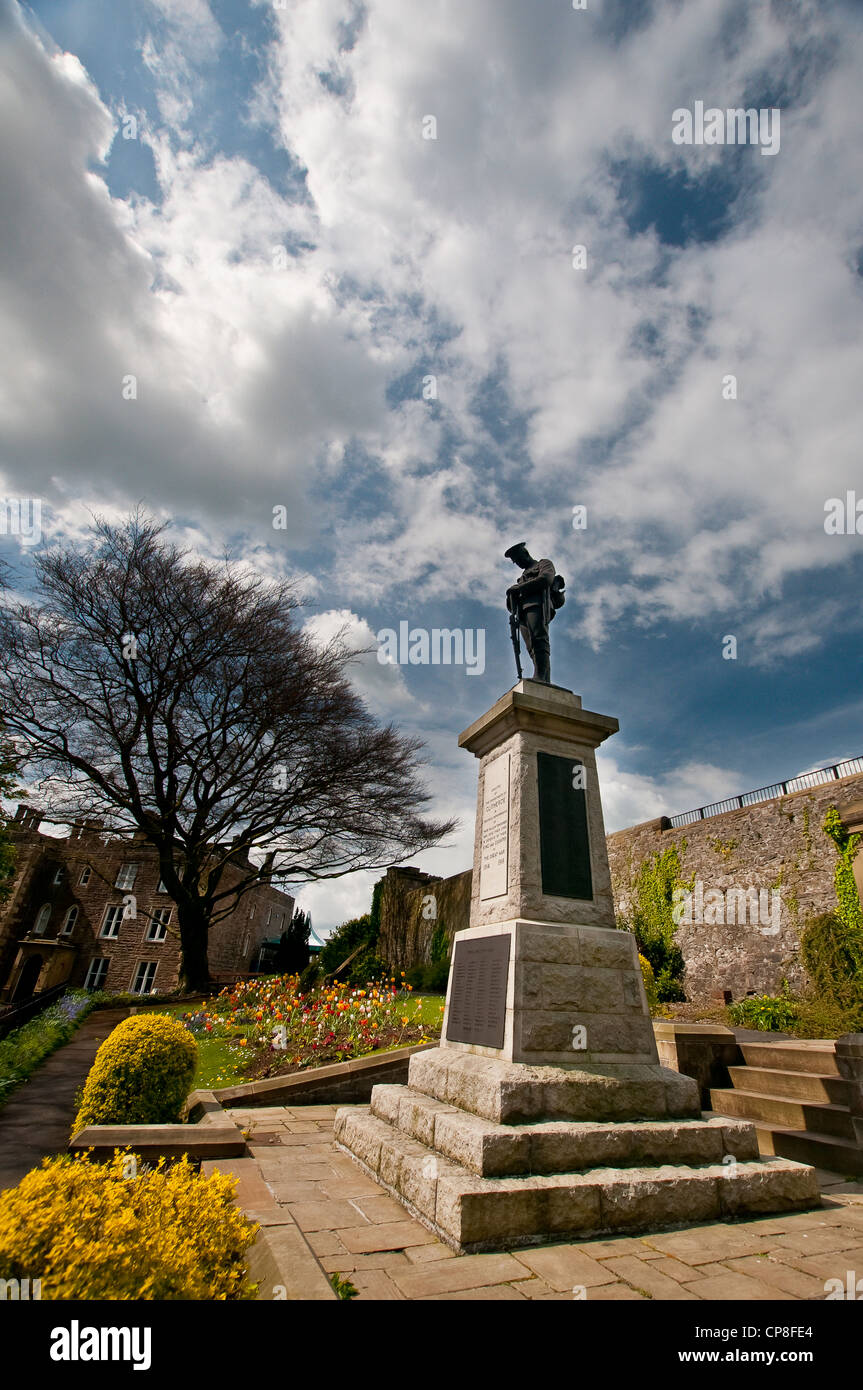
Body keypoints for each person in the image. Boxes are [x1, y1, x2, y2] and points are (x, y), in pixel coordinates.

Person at [504, 542, 565, 685]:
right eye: (516, 562)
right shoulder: (521, 578)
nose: (518, 564)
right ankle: (542, 677)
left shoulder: (543, 564)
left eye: (519, 559)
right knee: (531, 645)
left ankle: (541, 676)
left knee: (539, 639)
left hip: (538, 605)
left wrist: (519, 589)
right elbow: (512, 605)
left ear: (525, 554)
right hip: (523, 613)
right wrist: (511, 595)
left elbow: (546, 579)